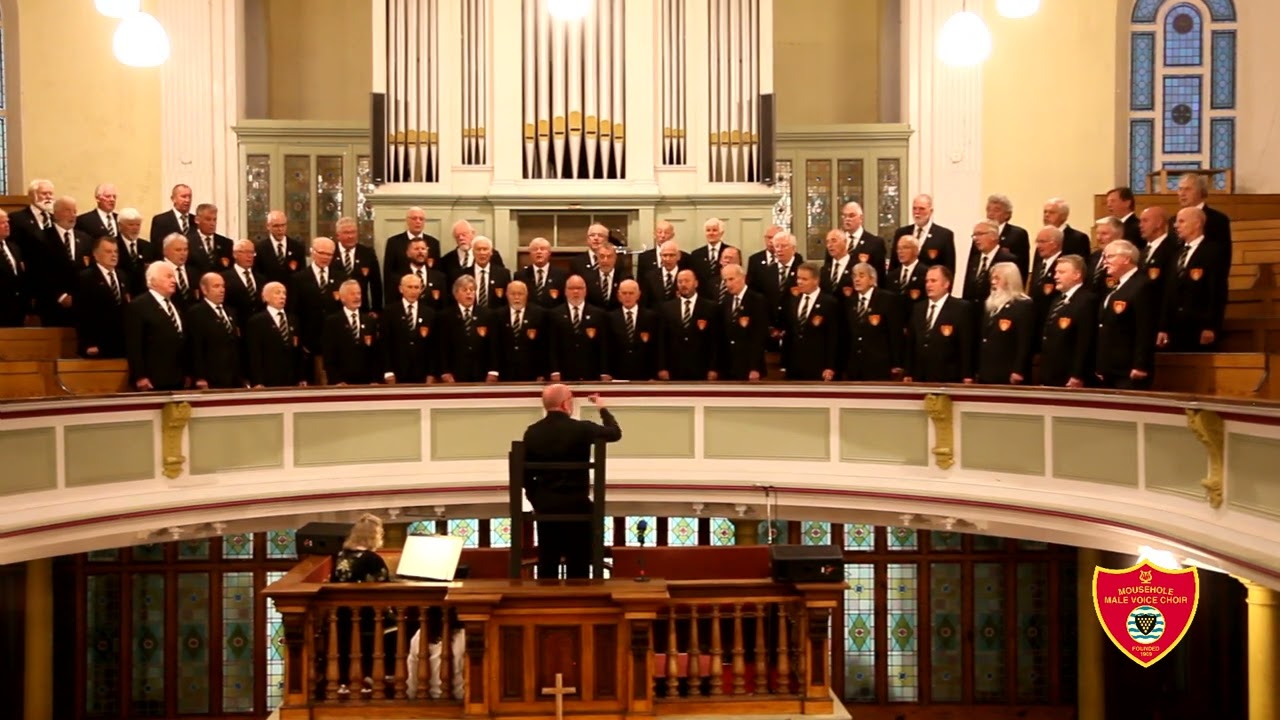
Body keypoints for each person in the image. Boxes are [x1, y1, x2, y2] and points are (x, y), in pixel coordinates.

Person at [522, 384, 622, 579]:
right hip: (577, 505)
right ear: (566, 403)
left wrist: (537, 498)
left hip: (546, 505)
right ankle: (579, 597)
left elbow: (525, 475)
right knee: (579, 558)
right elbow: (615, 433)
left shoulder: (532, 433)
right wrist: (602, 407)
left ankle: (545, 597)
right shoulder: (581, 429)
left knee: (547, 557)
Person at [330, 514, 392, 695]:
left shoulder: (341, 555)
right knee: (402, 623)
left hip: (341, 614)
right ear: (374, 535)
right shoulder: (371, 559)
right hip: (365, 616)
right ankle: (382, 673)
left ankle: (352, 678)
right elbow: (384, 586)